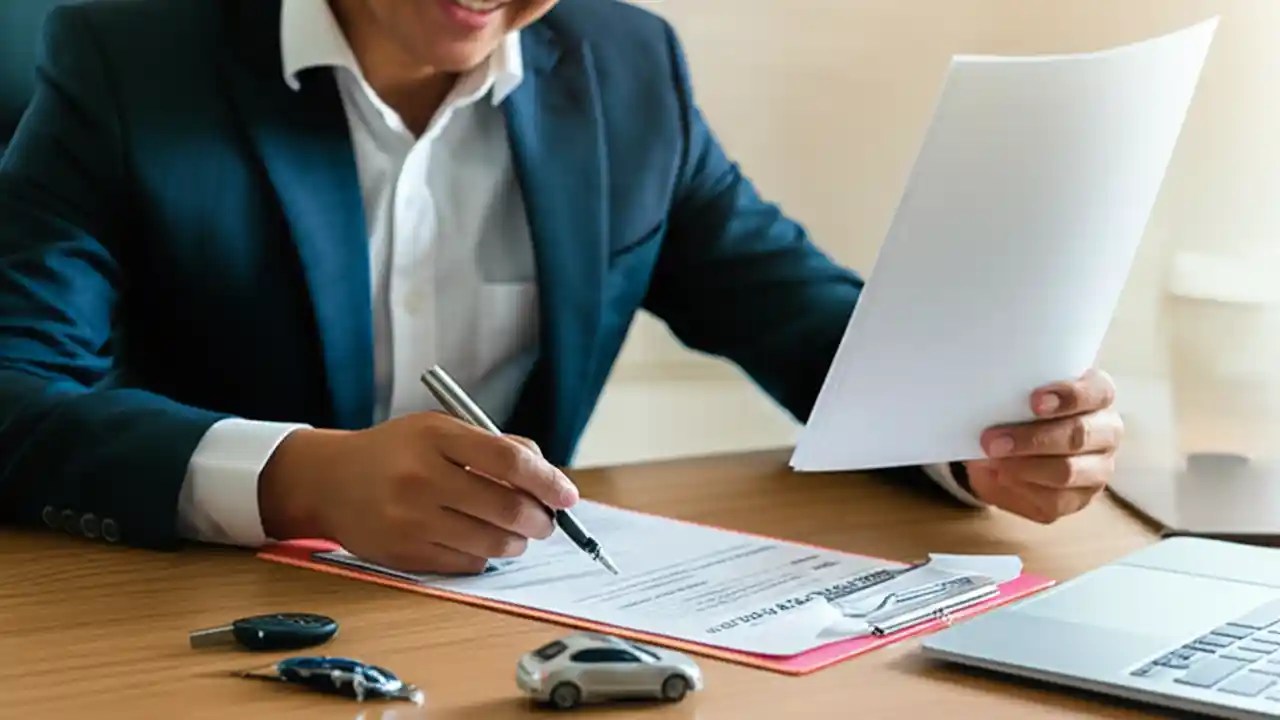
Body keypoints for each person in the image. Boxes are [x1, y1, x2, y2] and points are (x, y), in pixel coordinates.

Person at [0, 0, 1123, 573]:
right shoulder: (123, 54)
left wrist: (968, 428)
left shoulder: (624, 62)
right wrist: (296, 479)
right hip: (194, 622)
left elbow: (791, 308)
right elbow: (13, 391)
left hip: (509, 628)